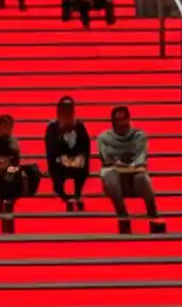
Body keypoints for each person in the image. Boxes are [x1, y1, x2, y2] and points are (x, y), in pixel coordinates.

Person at [98, 106, 164, 234]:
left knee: (143, 178)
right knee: (111, 178)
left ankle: (153, 213)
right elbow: (106, 159)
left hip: (134, 175)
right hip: (115, 174)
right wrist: (118, 164)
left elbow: (141, 158)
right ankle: (123, 215)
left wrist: (133, 165)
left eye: (124, 121)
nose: (122, 125)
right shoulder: (104, 138)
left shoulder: (139, 136)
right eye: (118, 123)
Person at [44, 96, 90, 211]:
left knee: (83, 165)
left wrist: (80, 158)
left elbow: (85, 146)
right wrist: (61, 158)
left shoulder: (79, 126)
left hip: (75, 160)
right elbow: (50, 149)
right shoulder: (52, 127)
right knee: (56, 167)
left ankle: (78, 192)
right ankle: (62, 193)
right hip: (59, 162)